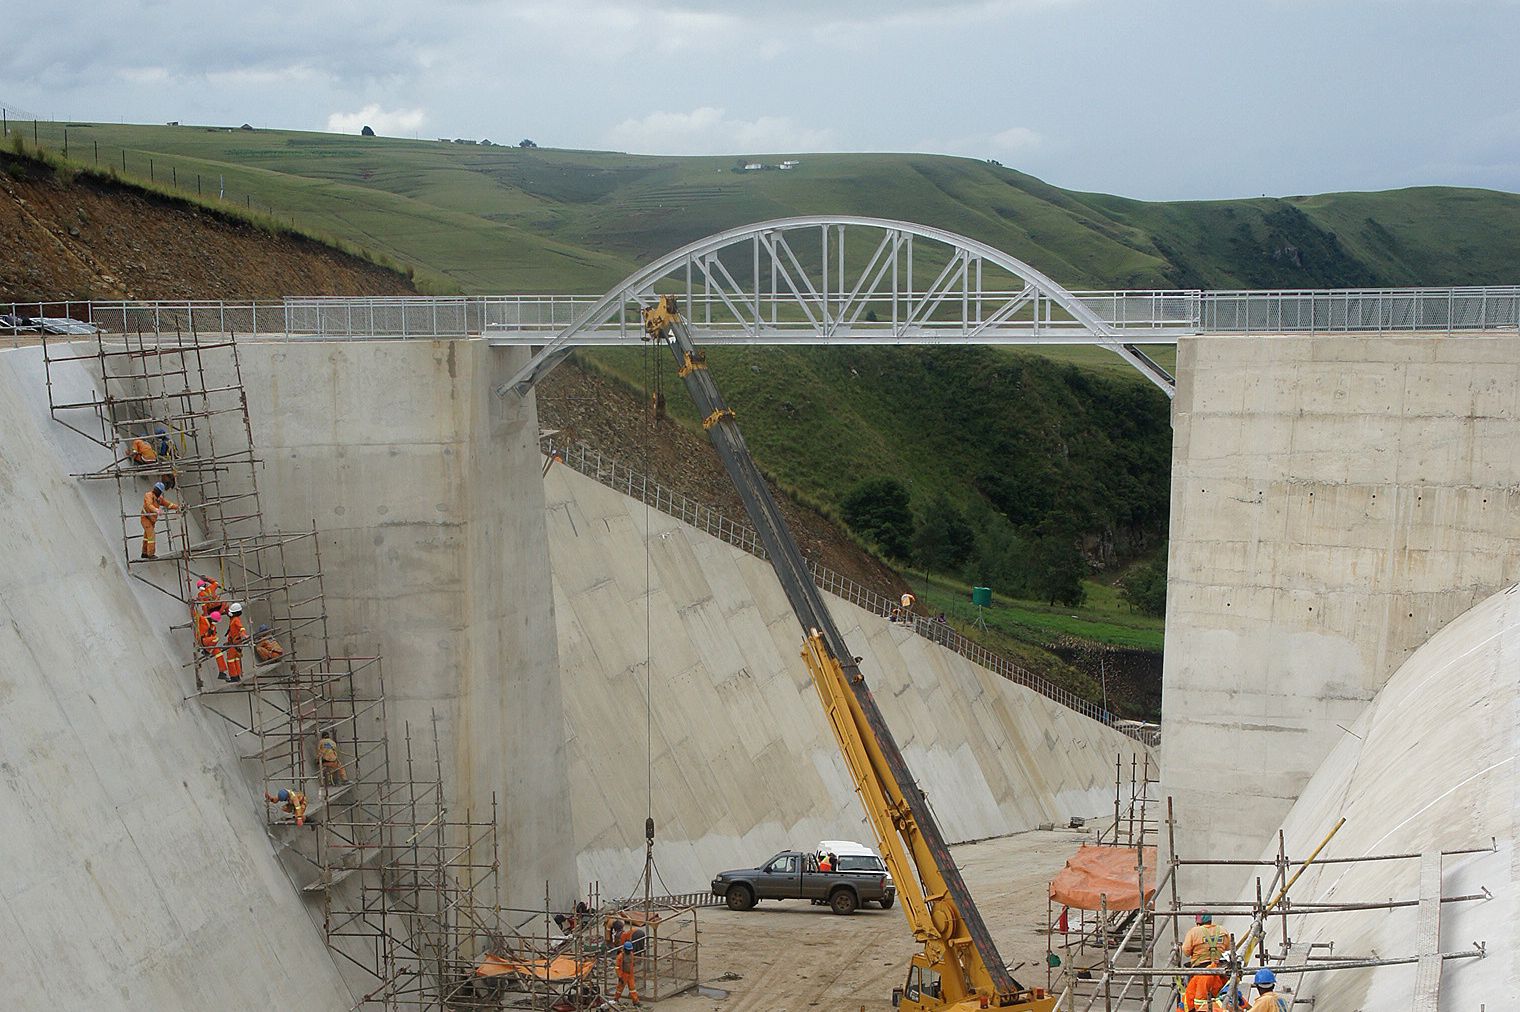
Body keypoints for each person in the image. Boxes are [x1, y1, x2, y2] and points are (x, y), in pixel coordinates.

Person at [140, 482, 178, 559]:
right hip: (146, 518)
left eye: (157, 490)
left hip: (152, 520)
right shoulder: (148, 495)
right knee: (151, 536)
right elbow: (149, 505)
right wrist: (156, 510)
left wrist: (177, 507)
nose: (155, 490)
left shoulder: (159, 499)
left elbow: (168, 504)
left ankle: (144, 553)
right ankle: (150, 554)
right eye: (155, 489)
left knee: (147, 536)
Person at [198, 608, 229, 681]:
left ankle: (222, 672)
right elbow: (196, 615)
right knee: (215, 638)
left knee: (218, 652)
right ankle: (207, 651)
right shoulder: (203, 620)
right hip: (202, 640)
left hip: (208, 643)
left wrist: (211, 631)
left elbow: (213, 634)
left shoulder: (213, 626)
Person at [223, 602, 249, 682]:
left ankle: (234, 677)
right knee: (236, 659)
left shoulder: (235, 620)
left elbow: (241, 628)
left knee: (230, 659)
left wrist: (244, 635)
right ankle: (237, 676)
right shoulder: (234, 619)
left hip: (235, 643)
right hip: (236, 643)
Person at [614, 940, 640, 1006]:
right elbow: (617, 967)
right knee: (620, 988)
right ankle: (616, 999)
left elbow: (631, 963)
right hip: (623, 974)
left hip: (630, 974)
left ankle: (635, 1001)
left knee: (632, 988)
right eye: (628, 950)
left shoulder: (631, 954)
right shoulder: (620, 956)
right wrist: (620, 977)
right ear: (625, 949)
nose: (629, 951)